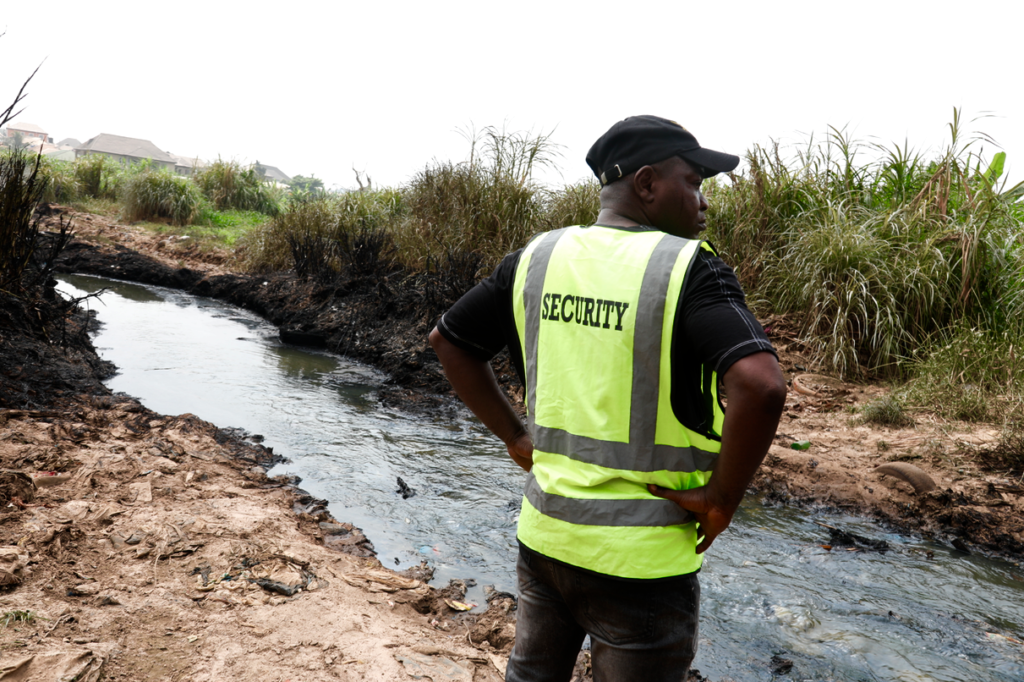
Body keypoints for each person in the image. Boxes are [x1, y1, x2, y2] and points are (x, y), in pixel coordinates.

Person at [429, 115, 787, 682]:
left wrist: (515, 437)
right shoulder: (687, 268)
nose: (703, 202)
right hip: (642, 561)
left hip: (546, 536)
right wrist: (721, 500)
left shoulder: (537, 258)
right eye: (693, 182)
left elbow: (450, 342)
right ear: (646, 184)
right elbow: (762, 385)